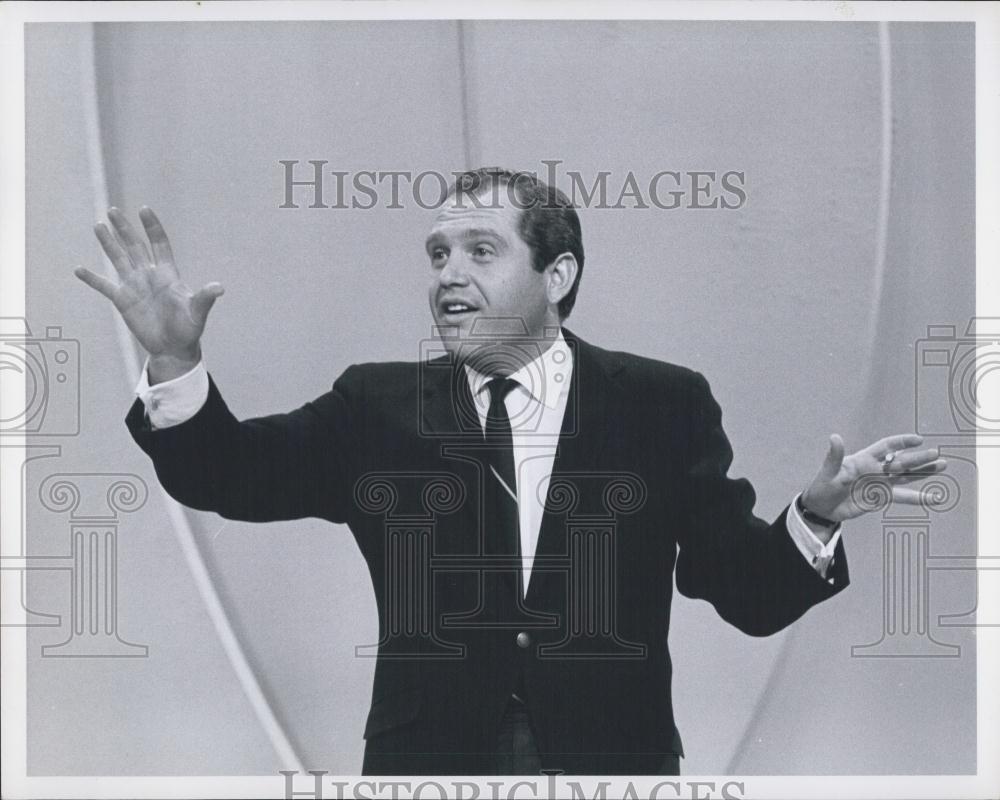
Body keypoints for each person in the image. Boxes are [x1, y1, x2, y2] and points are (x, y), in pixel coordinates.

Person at [75, 167, 947, 776]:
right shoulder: (375, 405)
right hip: (426, 766)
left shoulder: (661, 403)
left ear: (556, 274)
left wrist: (815, 515)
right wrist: (175, 360)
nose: (448, 276)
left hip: (614, 763)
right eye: (437, 255)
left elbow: (743, 591)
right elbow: (229, 474)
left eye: (480, 251)